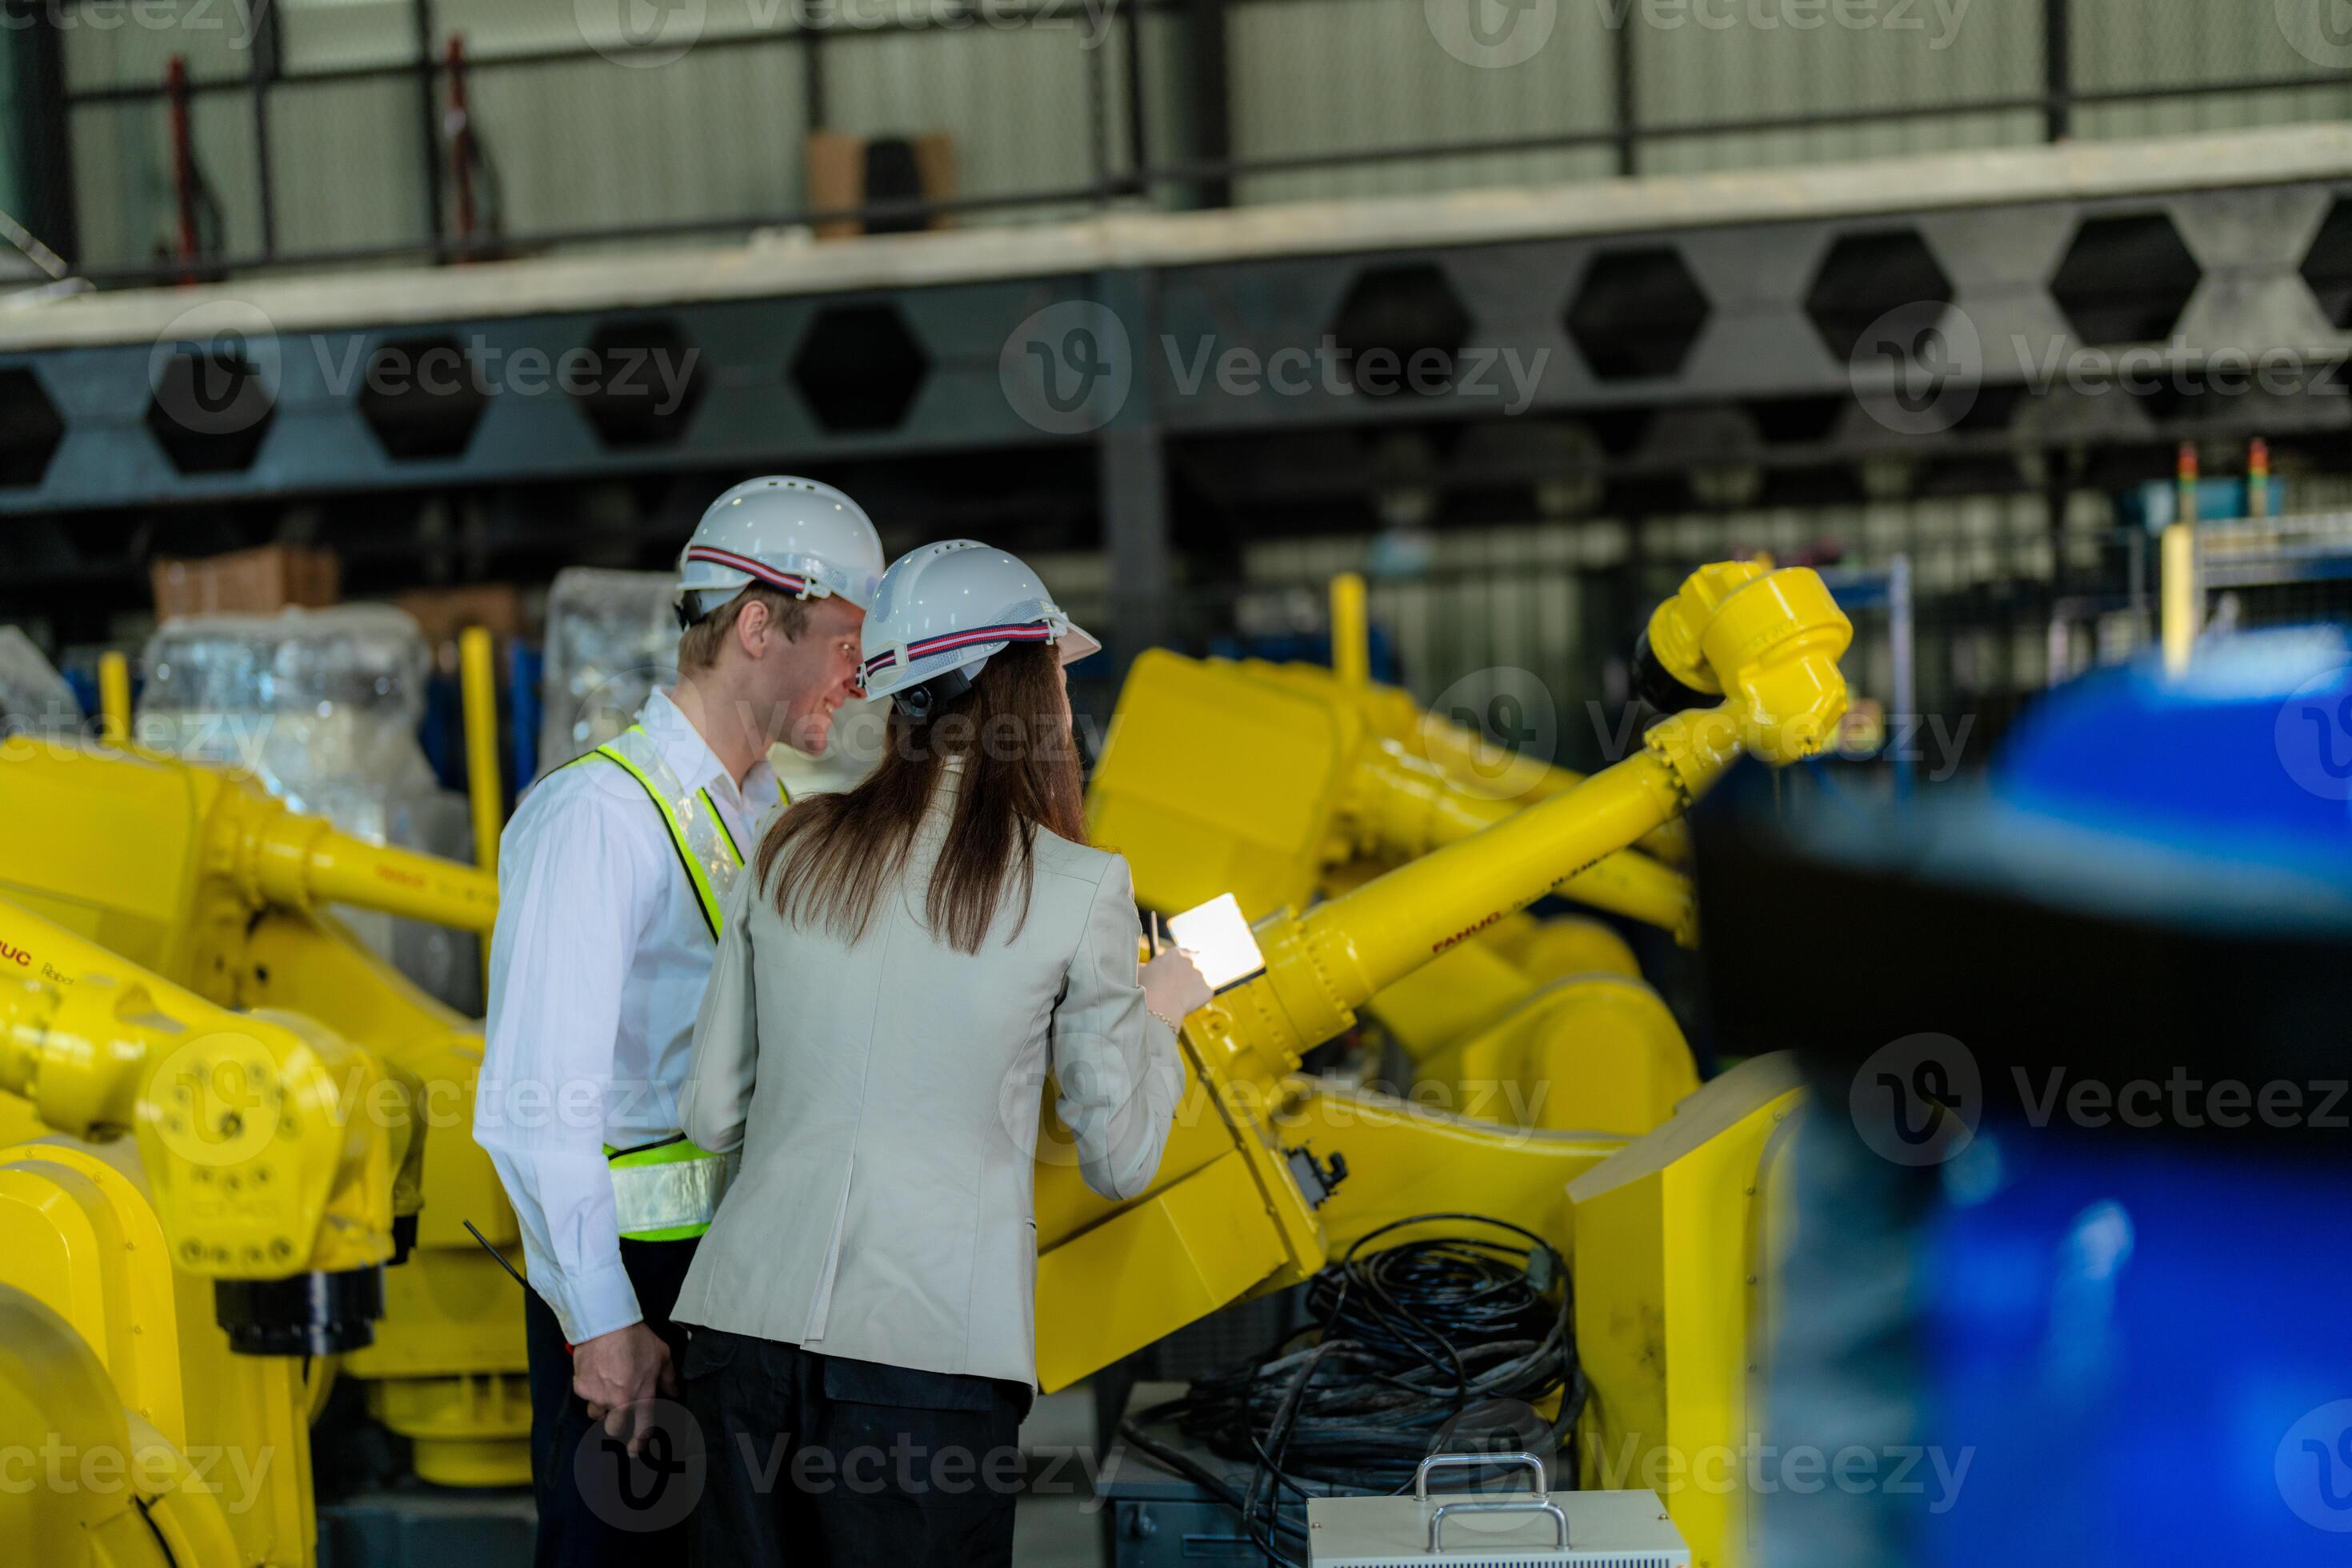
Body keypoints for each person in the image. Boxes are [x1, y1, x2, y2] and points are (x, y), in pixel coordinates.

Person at [674, 540, 1211, 1567]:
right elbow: (1123, 1156)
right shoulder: (1075, 885)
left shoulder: (791, 846)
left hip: (737, 1341)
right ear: (1022, 683)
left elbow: (711, 1113)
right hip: (922, 1374)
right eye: (1058, 671)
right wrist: (1164, 1007)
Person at [474, 476, 884, 1567]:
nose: (862, 673)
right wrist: (600, 1320)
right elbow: (533, 1105)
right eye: (847, 639)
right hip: (633, 1292)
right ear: (760, 625)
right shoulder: (598, 818)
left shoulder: (767, 814)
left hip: (739, 1288)